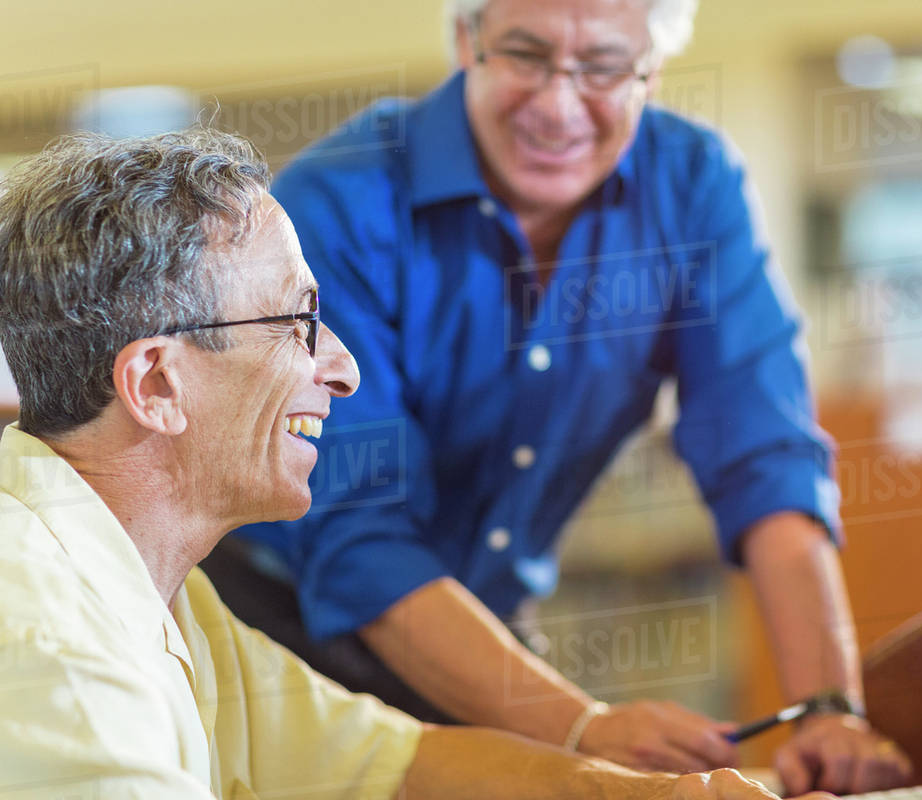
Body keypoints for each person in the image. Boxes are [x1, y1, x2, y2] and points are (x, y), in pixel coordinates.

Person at [0, 127, 835, 800]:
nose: (344, 368)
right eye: (297, 321)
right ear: (156, 384)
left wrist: (635, 794)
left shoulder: (161, 588)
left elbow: (395, 760)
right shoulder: (46, 646)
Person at [217, 0, 914, 795]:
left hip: (481, 623)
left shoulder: (693, 187)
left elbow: (766, 459)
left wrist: (826, 708)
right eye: (525, 54)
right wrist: (584, 733)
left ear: (651, 66)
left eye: (604, 67)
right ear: (463, 40)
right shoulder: (340, 201)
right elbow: (362, 539)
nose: (557, 104)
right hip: (281, 618)